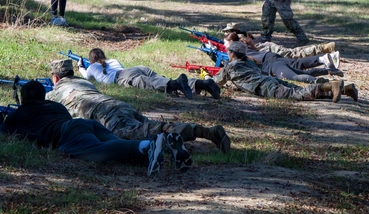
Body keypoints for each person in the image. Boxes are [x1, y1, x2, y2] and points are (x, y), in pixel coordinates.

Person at [0, 80, 191, 175]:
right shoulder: (55, 105)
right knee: (117, 144)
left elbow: (0, 133)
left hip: (67, 134)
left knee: (98, 151)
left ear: (23, 99)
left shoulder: (20, 114)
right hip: (84, 124)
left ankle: (147, 146)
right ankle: (159, 146)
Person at [46, 59, 231, 152]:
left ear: (55, 78)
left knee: (144, 132)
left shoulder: (54, 93)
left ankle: (203, 132)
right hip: (117, 105)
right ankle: (172, 142)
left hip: (104, 114)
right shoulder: (84, 83)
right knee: (149, 127)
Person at [213, 41, 358, 102]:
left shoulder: (230, 67)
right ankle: (345, 89)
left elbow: (214, 84)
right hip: (271, 81)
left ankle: (331, 85)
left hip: (266, 87)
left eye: (228, 52)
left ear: (232, 53)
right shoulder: (249, 61)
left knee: (299, 95)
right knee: (304, 91)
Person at [80, 48, 221, 99]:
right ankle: (201, 83)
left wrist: (81, 66)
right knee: (158, 78)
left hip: (122, 77)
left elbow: (86, 76)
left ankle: (176, 84)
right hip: (134, 68)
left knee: (152, 83)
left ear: (91, 60)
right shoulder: (113, 60)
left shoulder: (92, 68)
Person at [222, 32, 341, 83]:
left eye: (225, 44)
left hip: (269, 61)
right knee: (297, 64)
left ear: (232, 42)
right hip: (270, 57)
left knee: (296, 69)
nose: (224, 46)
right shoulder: (242, 43)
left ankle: (323, 69)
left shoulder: (236, 48)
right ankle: (324, 59)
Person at [221, 22, 335, 58]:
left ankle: (324, 48)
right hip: (266, 48)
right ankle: (323, 48)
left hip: (266, 49)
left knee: (294, 54)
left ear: (234, 32)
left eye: (228, 31)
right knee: (294, 52)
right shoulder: (240, 36)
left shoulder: (238, 39)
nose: (226, 34)